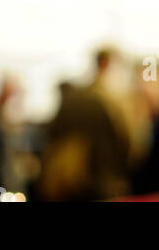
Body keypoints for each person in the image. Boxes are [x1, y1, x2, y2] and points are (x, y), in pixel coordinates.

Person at [37, 51, 133, 201]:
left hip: (71, 186)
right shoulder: (115, 101)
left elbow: (51, 135)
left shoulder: (77, 97)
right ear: (108, 64)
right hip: (103, 185)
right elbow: (127, 145)